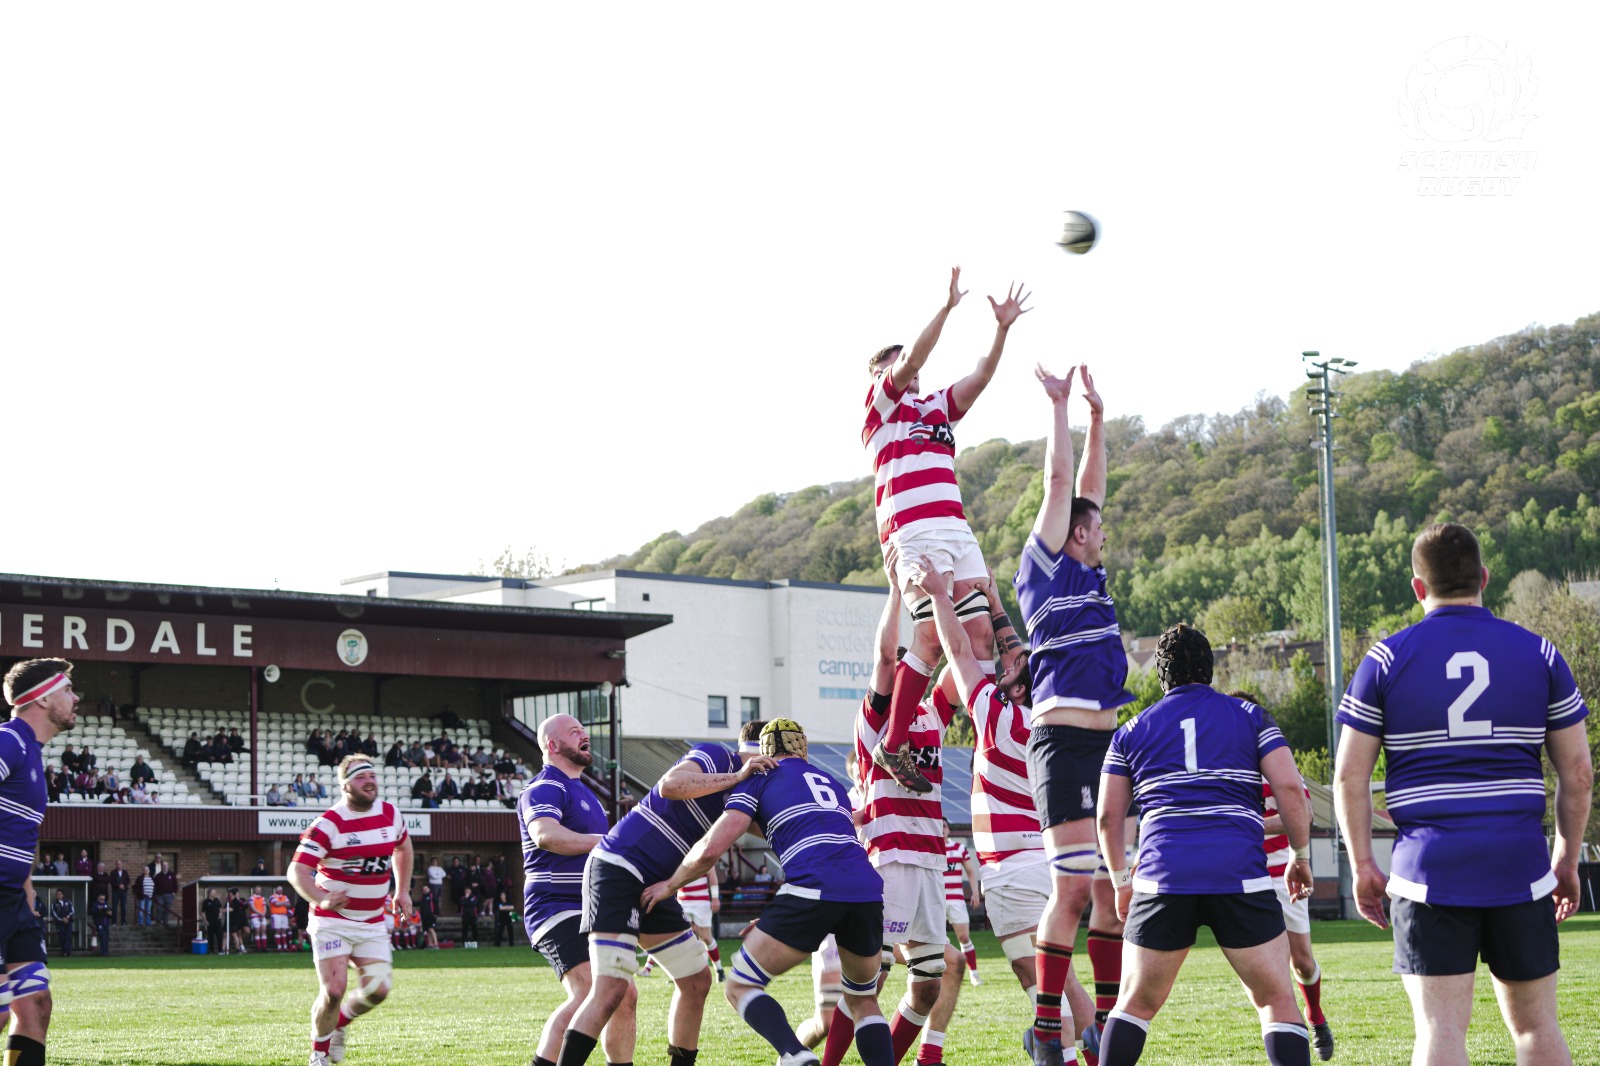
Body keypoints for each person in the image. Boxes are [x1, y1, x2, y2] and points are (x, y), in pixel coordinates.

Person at [1333, 522, 1594, 1066]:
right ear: (1484, 578)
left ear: (1417, 588)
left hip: (1429, 871)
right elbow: (1578, 772)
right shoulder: (1540, 654)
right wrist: (1567, 860)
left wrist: (1362, 864)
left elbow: (1349, 777)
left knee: (1440, 1029)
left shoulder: (1384, 660)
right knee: (1535, 1027)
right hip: (1519, 865)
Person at [1095, 623, 1315, 1066]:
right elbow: (1290, 790)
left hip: (1162, 877)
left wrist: (1121, 881)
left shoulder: (1131, 731)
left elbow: (1107, 815)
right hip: (1240, 874)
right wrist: (1299, 855)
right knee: (1276, 1000)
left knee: (1134, 1005)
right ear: (1211, 670)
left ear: (1161, 675)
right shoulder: (1252, 718)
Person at [642, 718, 897, 1066]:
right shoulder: (832, 784)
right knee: (864, 1000)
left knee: (739, 986)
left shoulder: (759, 779)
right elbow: (821, 842)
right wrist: (778, 917)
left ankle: (795, 1056)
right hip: (866, 892)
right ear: (803, 745)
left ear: (763, 753)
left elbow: (711, 849)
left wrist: (670, 884)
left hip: (813, 891)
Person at [862, 268, 1030, 793]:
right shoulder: (880, 412)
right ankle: (893, 742)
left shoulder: (935, 407)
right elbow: (913, 357)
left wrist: (1001, 330)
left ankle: (977, 729)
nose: (911, 374)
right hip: (914, 531)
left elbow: (980, 378)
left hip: (957, 529)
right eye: (898, 369)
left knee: (979, 636)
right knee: (933, 635)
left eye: (908, 371)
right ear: (881, 379)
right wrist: (948, 308)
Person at [1014, 364, 1137, 1065]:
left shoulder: (1090, 573)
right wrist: (1059, 408)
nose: (1099, 526)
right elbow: (1064, 488)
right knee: (1069, 890)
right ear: (1078, 536)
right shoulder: (1045, 571)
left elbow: (1091, 489)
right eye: (1094, 526)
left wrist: (1097, 418)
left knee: (1112, 894)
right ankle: (1046, 1024)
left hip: (1110, 745)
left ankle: (1109, 1025)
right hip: (1061, 741)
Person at [553, 721, 776, 1066]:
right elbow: (670, 785)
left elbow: (771, 831)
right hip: (619, 867)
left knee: (697, 979)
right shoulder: (719, 756)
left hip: (656, 884)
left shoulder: (749, 794)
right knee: (611, 988)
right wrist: (737, 776)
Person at [816, 574, 955, 1066]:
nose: (900, 669)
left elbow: (959, 665)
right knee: (868, 979)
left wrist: (959, 602)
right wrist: (897, 590)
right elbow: (882, 657)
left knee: (929, 985)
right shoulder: (873, 721)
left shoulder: (934, 714)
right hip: (890, 857)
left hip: (930, 861)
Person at [519, 712, 636, 1066]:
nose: (584, 736)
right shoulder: (545, 787)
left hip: (588, 907)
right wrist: (609, 841)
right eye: (574, 732)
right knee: (589, 992)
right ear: (553, 745)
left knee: (624, 993)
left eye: (584, 731)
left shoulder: (585, 793)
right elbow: (546, 836)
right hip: (554, 906)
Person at [288, 753, 414, 1066]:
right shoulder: (329, 823)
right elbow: (297, 871)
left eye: (372, 776)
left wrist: (402, 891)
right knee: (334, 989)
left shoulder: (391, 814)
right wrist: (321, 897)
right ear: (346, 786)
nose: (369, 782)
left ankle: (339, 1023)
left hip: (371, 921)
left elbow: (403, 847)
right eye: (360, 777)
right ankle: (319, 1055)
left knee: (378, 990)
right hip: (332, 919)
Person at [1, 657, 80, 1066]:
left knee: (34, 1003)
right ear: (43, 697)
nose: (75, 698)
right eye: (67, 690)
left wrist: (28, 889)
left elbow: (22, 836)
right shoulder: (9, 740)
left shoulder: (32, 754)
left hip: (13, 900)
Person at [940, 825, 983, 986]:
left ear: (949, 830)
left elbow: (971, 872)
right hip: (936, 901)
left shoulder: (959, 848)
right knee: (937, 940)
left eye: (944, 826)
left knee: (964, 938)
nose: (941, 829)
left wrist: (975, 892)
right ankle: (941, 974)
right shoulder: (931, 848)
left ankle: (974, 974)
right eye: (938, 826)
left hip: (956, 900)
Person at [676, 869, 725, 983]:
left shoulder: (702, 850)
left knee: (706, 937)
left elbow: (712, 874)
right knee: (683, 938)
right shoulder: (676, 851)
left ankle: (719, 970)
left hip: (701, 902)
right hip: (682, 901)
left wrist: (715, 897)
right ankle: (683, 974)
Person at [269, 885, 294, 951]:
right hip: (276, 915)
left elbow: (288, 904)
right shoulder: (272, 896)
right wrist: (284, 903)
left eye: (281, 890)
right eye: (279, 889)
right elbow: (276, 904)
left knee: (284, 930)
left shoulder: (284, 896)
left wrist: (281, 903)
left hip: (284, 915)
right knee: (278, 930)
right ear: (276, 890)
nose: (280, 891)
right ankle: (279, 946)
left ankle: (285, 946)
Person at [50, 891, 73, 957]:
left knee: (68, 936)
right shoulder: (54, 903)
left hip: (68, 922)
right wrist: (61, 919)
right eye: (57, 894)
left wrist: (67, 917)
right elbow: (54, 913)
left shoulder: (68, 901)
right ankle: (64, 951)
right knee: (62, 936)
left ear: (63, 895)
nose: (58, 895)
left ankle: (68, 951)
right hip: (59, 923)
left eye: (59, 894)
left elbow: (72, 911)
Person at [227, 889, 250, 954]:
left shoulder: (242, 900)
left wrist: (239, 901)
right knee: (238, 933)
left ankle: (238, 941)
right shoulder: (231, 901)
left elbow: (245, 906)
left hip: (243, 918)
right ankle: (241, 947)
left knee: (247, 931)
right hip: (237, 918)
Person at [203, 889, 225, 955]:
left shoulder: (217, 900)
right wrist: (205, 921)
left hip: (217, 921)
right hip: (210, 921)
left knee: (220, 935)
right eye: (213, 892)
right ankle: (211, 951)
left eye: (215, 892)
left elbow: (220, 908)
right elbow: (203, 912)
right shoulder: (206, 901)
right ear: (209, 893)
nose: (215, 893)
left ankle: (220, 950)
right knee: (211, 936)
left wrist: (220, 914)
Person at [248, 885, 269, 951]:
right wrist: (260, 913)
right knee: (257, 931)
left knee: (263, 930)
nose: (258, 891)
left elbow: (264, 907)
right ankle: (258, 946)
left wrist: (263, 914)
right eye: (257, 889)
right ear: (255, 890)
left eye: (259, 889)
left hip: (262, 916)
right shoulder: (251, 898)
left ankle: (264, 947)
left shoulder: (262, 898)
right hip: (255, 916)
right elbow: (253, 907)